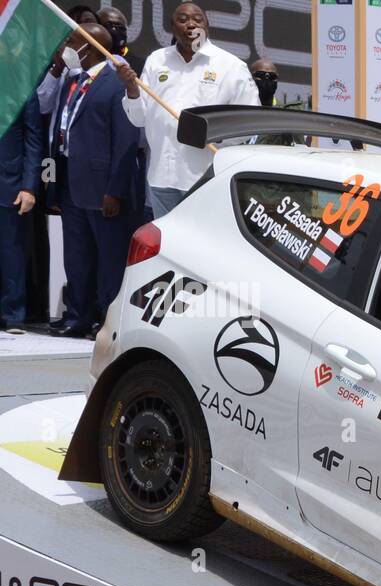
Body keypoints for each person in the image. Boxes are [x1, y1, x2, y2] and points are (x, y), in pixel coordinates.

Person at [115, 3, 259, 216]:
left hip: (204, 177)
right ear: (172, 27)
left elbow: (249, 124)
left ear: (207, 25)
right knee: (167, 246)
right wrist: (132, 90)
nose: (190, 24)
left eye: (197, 19)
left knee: (200, 246)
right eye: (182, 20)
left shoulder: (231, 66)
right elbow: (139, 119)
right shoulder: (157, 60)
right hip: (161, 177)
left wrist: (212, 136)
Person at [48, 23, 143, 339]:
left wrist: (114, 190)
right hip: (73, 184)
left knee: (110, 259)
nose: (66, 47)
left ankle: (108, 320)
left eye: (72, 42)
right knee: (77, 258)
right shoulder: (74, 80)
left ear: (90, 47)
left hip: (105, 189)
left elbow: (127, 139)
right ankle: (79, 316)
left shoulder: (116, 81)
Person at [1, 95, 41, 334]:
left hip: (10, 183)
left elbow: (34, 140)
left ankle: (13, 314)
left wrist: (29, 186)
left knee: (11, 251)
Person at [97, 6, 142, 74]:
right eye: (109, 25)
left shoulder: (139, 65)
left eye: (120, 27)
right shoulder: (88, 62)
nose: (114, 30)